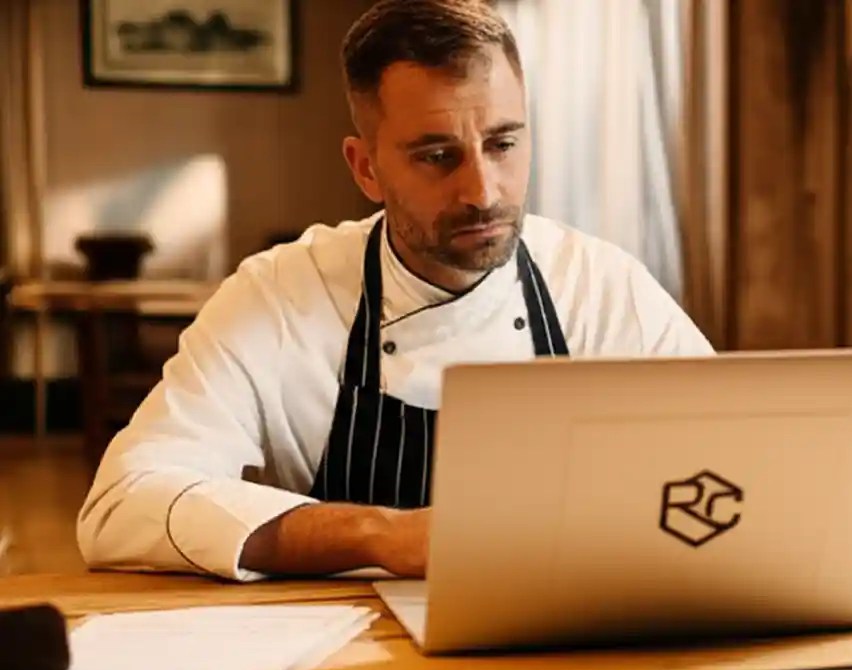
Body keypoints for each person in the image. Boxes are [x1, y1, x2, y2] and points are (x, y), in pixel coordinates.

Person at [76, 0, 713, 582]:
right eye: (437, 156)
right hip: (349, 653)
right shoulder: (279, 299)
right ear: (366, 168)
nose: (483, 191)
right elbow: (121, 503)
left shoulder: (602, 288)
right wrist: (378, 535)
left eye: (503, 144)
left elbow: (728, 465)